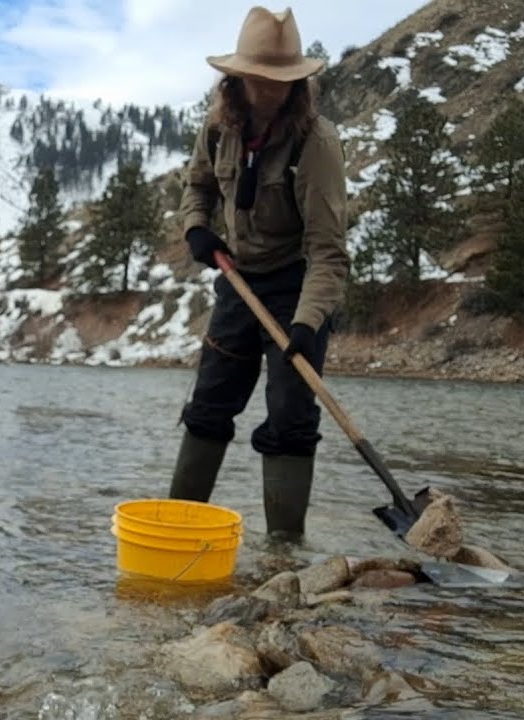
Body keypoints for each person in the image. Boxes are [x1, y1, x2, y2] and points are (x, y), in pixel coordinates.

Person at [171, 6, 350, 543]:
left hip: (297, 286)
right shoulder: (217, 127)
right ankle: (177, 530)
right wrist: (197, 229)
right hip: (238, 281)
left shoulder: (316, 143)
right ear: (238, 78)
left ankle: (284, 557)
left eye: (282, 80)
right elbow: (197, 187)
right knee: (208, 407)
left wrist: (308, 324)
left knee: (291, 417)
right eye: (260, 79)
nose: (271, 90)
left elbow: (329, 252)